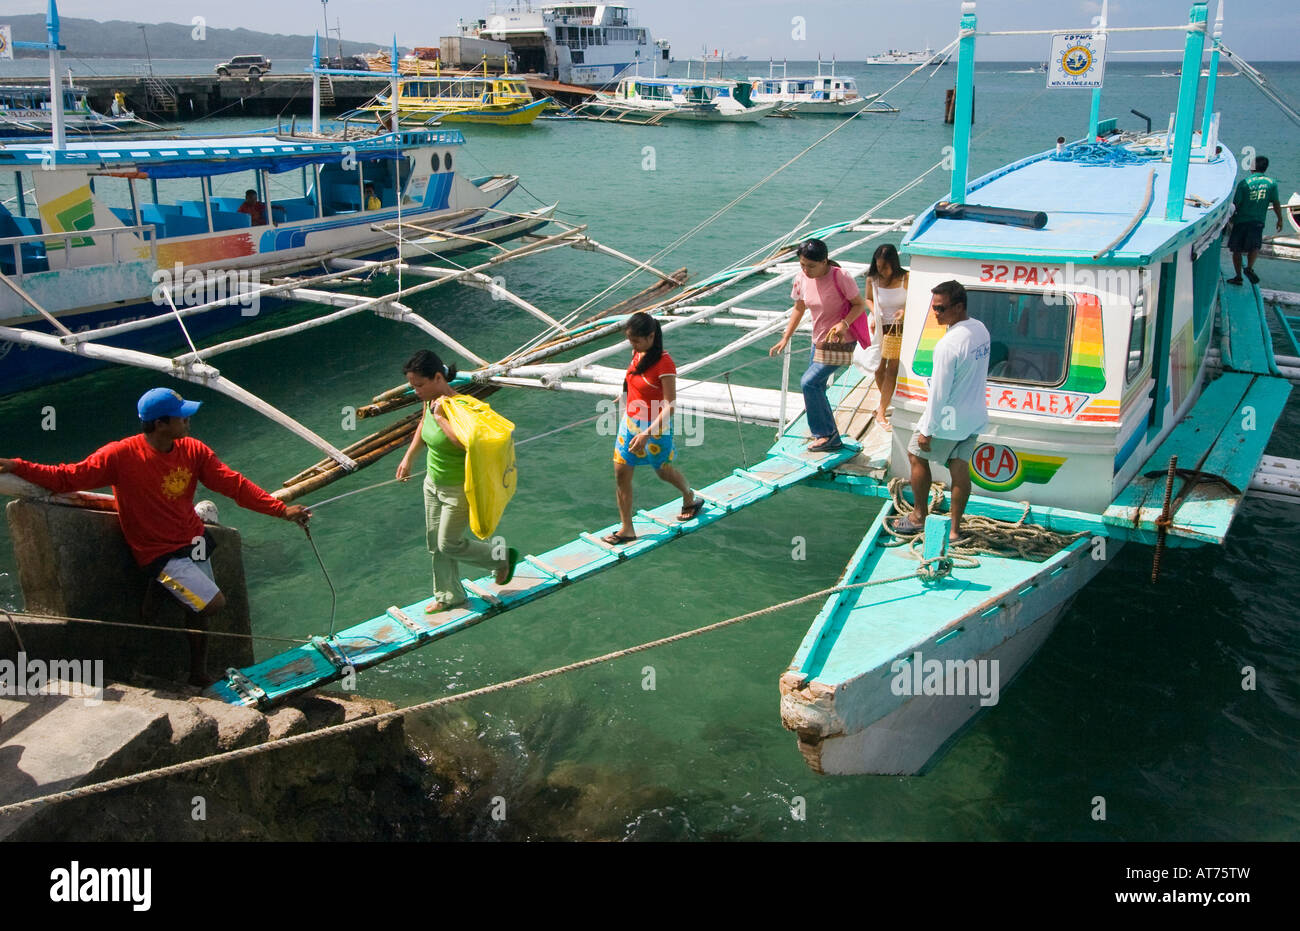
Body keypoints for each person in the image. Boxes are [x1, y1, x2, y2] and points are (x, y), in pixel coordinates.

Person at [0, 387, 311, 685]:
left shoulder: (194, 450)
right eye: (181, 416)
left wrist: (280, 510)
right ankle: (161, 584)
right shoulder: (119, 456)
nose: (188, 420)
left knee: (196, 607)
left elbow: (234, 485)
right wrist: (18, 465)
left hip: (194, 540)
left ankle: (197, 672)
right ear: (160, 424)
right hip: (158, 553)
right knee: (211, 604)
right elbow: (68, 476)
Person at [396, 349, 520, 612]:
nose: (416, 391)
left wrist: (441, 418)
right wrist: (409, 458)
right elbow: (423, 425)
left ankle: (501, 558)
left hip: (458, 488)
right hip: (432, 483)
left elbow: (466, 444)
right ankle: (449, 596)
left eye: (419, 385)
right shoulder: (430, 401)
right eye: (413, 386)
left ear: (438, 377)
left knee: (448, 543)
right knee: (435, 545)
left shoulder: (460, 407)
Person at [896, 281, 990, 544]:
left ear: (959, 307)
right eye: (934, 308)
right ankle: (955, 530)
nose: (935, 313)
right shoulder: (980, 330)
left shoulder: (947, 345)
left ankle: (918, 516)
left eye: (941, 308)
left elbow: (938, 394)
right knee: (959, 468)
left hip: (949, 421)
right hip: (975, 417)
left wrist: (927, 430)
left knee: (915, 453)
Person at [602, 312, 703, 545]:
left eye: (636, 341)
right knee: (621, 473)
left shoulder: (664, 362)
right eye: (630, 341)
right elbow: (630, 378)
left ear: (650, 336)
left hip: (655, 426)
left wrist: (647, 433)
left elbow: (670, 405)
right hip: (630, 422)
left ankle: (689, 496)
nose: (633, 346)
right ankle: (627, 528)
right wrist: (624, 395)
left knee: (662, 470)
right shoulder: (638, 352)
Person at [769, 238, 868, 452]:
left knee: (809, 383)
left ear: (825, 261)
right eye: (802, 264)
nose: (806, 270)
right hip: (818, 341)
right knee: (818, 387)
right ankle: (827, 434)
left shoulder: (840, 276)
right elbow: (799, 307)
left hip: (841, 341)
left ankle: (827, 435)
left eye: (811, 266)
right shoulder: (801, 278)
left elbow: (859, 305)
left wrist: (844, 324)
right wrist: (785, 337)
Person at [864, 243, 908, 430]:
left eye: (885, 267)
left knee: (892, 368)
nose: (881, 271)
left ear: (893, 264)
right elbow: (868, 299)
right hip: (879, 327)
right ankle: (886, 402)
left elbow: (915, 299)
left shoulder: (906, 278)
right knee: (878, 367)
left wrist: (904, 311)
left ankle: (881, 412)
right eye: (878, 266)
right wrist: (874, 313)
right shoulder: (872, 279)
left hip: (898, 328)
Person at [1227, 154, 1283, 285]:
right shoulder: (1272, 183)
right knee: (1255, 246)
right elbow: (1275, 203)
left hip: (1241, 220)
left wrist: (1231, 218)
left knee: (1236, 249)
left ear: (1252, 167)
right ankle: (1249, 267)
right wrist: (1280, 219)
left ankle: (1238, 277)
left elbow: (1236, 204)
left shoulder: (1244, 183)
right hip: (1258, 221)